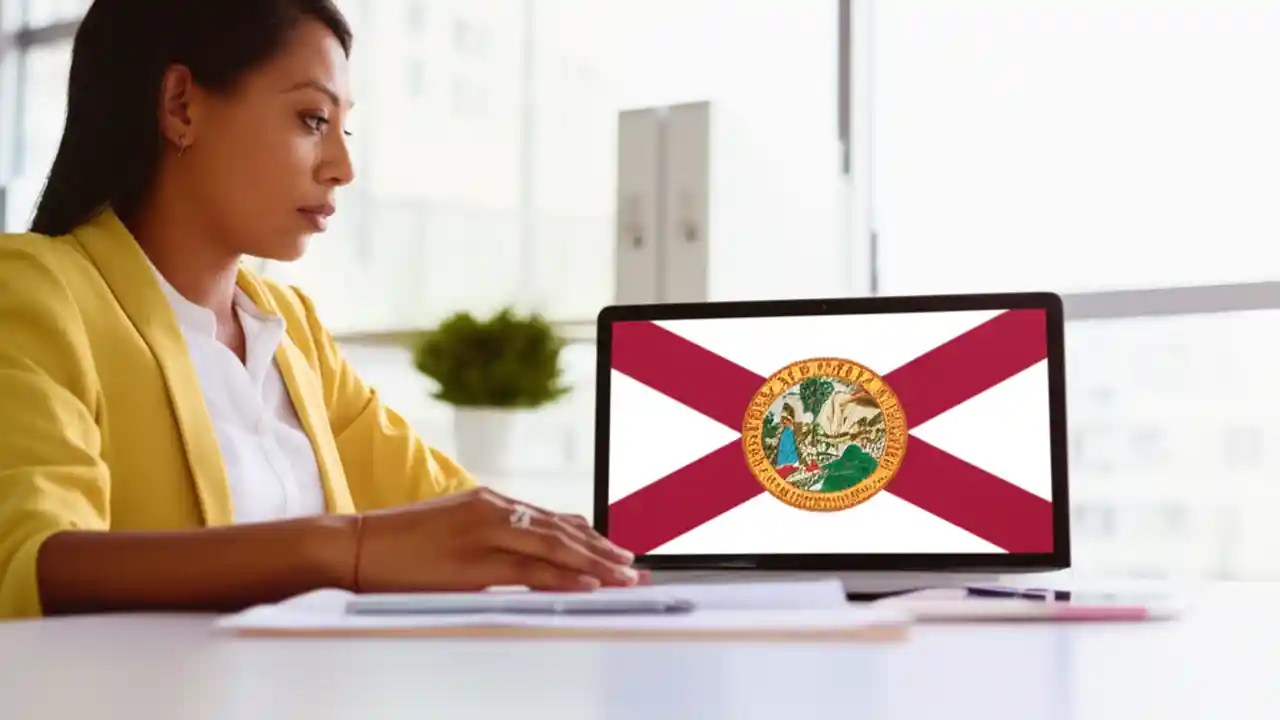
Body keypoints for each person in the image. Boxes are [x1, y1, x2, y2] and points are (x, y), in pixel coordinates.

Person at [0, 0, 637, 620]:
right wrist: (342, 546)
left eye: (343, 127)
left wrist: (602, 558)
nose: (342, 166)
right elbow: (32, 565)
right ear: (180, 106)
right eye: (311, 119)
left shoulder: (290, 328)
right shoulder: (35, 289)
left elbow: (453, 515)